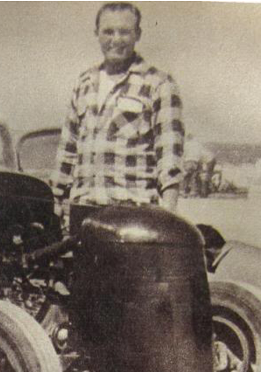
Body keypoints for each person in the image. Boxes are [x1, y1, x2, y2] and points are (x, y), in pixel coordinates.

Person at [52, 2, 184, 216]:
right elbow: (67, 151)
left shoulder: (159, 84)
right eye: (108, 31)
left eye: (124, 32)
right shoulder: (84, 82)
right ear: (97, 34)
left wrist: (168, 214)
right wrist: (56, 201)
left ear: (137, 34)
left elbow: (170, 157)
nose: (115, 40)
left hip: (134, 213)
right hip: (83, 212)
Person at [183, 133, 216, 198]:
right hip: (199, 161)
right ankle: (199, 191)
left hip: (193, 161)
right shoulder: (197, 144)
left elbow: (184, 154)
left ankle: (190, 191)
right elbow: (199, 156)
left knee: (189, 177)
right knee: (196, 176)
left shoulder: (186, 144)